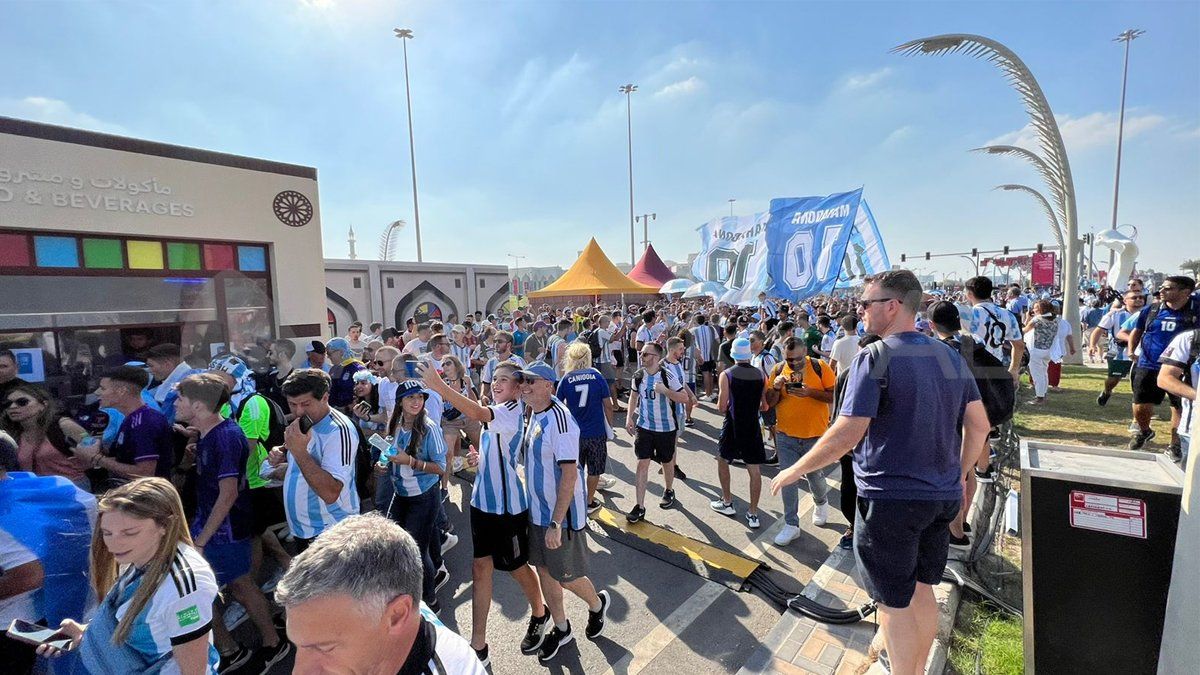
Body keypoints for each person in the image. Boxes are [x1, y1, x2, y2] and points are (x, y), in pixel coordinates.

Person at [770, 270, 990, 675]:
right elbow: (979, 426)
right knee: (922, 588)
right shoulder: (949, 354)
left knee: (893, 604)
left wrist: (793, 470)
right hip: (940, 497)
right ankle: (917, 666)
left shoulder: (876, 356)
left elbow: (848, 432)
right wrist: (959, 475)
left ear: (892, 306)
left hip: (891, 501)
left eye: (866, 304)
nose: (860, 311)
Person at [419, 360, 551, 666]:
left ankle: (540, 612)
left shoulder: (511, 410)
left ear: (519, 388)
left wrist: (439, 386)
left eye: (505, 380)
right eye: (495, 378)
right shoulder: (497, 409)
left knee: (518, 568)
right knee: (480, 568)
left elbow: (477, 413)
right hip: (482, 504)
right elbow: (486, 426)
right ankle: (479, 643)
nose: (497, 383)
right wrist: (483, 456)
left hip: (507, 509)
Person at [36, 478, 221, 674]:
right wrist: (83, 633)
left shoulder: (183, 587)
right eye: (107, 533)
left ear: (164, 526)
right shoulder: (144, 556)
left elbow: (193, 671)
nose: (114, 544)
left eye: (130, 533)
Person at [173, 374, 289, 673]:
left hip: (224, 529)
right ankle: (238, 646)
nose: (175, 404)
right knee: (230, 586)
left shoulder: (225, 436)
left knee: (229, 586)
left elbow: (228, 493)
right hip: (213, 525)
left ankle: (261, 645)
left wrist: (200, 541)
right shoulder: (210, 434)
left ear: (198, 405)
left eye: (180, 399)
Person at [274, 513, 485, 674]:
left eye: (326, 648)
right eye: (299, 645)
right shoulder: (390, 596)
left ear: (396, 616)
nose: (298, 671)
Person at [515, 362, 610, 662]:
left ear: (549, 386)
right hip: (537, 514)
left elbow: (569, 475)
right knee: (545, 572)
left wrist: (556, 522)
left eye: (532, 381)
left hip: (560, 517)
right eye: (523, 380)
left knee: (566, 576)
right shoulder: (534, 412)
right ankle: (561, 627)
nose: (525, 385)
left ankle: (596, 605)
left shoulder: (561, 420)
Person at [264, 369, 360, 552]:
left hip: (331, 532)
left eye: (305, 404)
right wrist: (282, 451)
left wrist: (299, 452)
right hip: (304, 530)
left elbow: (331, 492)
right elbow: (300, 458)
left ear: (324, 397)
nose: (298, 411)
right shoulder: (304, 422)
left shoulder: (338, 431)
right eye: (292, 404)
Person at [376, 380, 448, 611]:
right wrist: (383, 463)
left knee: (415, 549)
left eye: (420, 397)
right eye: (411, 398)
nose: (417, 402)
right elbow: (390, 453)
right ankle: (435, 571)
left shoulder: (430, 428)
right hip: (401, 493)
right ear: (400, 402)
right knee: (399, 543)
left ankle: (430, 601)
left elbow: (441, 467)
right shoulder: (395, 423)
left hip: (424, 496)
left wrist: (409, 461)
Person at [764, 336, 837, 544]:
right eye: (789, 360)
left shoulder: (819, 366)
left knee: (815, 477)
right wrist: (776, 388)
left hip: (815, 436)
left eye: (797, 359)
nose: (794, 363)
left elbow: (833, 396)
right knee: (788, 479)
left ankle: (821, 502)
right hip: (786, 435)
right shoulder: (778, 370)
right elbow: (770, 402)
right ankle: (791, 524)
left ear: (805, 351)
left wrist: (810, 393)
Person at [1119, 275, 1199, 455]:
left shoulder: (1196, 310)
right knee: (1140, 406)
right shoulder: (1152, 310)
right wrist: (1132, 351)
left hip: (1179, 368)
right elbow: (1136, 331)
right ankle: (1144, 431)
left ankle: (1175, 443)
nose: (1161, 291)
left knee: (1179, 407)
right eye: (1161, 287)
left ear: (1185, 292)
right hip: (1149, 364)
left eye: (1168, 288)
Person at [624, 342, 691, 523]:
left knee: (667, 462)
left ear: (655, 357)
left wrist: (666, 391)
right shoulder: (638, 376)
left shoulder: (667, 376)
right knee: (641, 464)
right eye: (641, 353)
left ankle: (669, 489)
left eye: (645, 354)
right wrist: (629, 417)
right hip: (644, 427)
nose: (641, 356)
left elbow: (684, 397)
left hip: (666, 428)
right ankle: (640, 506)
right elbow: (633, 395)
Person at [75, 365, 174, 487]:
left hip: (146, 500)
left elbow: (145, 473)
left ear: (122, 391)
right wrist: (96, 448)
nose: (97, 392)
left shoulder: (144, 423)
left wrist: (96, 458)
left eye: (102, 388)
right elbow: (125, 459)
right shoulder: (131, 419)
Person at [710, 338, 769, 529]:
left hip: (733, 423)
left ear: (733, 355)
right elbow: (765, 405)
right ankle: (753, 513)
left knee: (722, 460)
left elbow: (721, 407)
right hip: (752, 425)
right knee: (754, 469)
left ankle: (727, 502)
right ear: (749, 354)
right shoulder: (761, 374)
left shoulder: (727, 374)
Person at [557, 343, 613, 513]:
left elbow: (558, 405)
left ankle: (574, 499)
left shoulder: (566, 379)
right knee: (594, 469)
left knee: (574, 469)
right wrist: (609, 426)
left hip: (574, 433)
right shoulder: (597, 376)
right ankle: (589, 501)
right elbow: (608, 405)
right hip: (596, 431)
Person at [2, 383, 90, 488]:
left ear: (43, 405)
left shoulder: (64, 425)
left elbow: (94, 454)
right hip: (35, 491)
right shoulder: (10, 434)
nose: (13, 407)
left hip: (71, 489)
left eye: (22, 402)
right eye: (7, 404)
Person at [1092, 291, 1144, 406]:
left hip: (1140, 353)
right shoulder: (1114, 314)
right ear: (1125, 301)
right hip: (1119, 352)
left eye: (1141, 297)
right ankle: (1107, 391)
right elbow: (1098, 330)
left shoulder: (1149, 313)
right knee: (1113, 379)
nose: (1138, 299)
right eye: (1134, 297)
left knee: (1139, 380)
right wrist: (1092, 345)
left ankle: (1141, 405)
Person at [1158, 328, 1199, 465]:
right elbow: (1165, 378)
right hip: (1194, 432)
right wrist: (1197, 396)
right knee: (1193, 484)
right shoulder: (1190, 339)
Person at [480, 331, 526, 402]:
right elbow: (486, 382)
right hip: (496, 405)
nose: (496, 344)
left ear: (508, 344)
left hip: (514, 404)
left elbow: (525, 382)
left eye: (500, 341)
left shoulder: (518, 361)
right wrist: (483, 395)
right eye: (495, 341)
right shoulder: (491, 362)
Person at [690, 314, 719, 400]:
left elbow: (684, 334)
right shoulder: (711, 328)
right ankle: (711, 393)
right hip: (711, 355)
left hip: (701, 356)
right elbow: (718, 340)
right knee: (710, 374)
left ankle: (708, 394)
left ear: (696, 321)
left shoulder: (693, 330)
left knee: (706, 374)